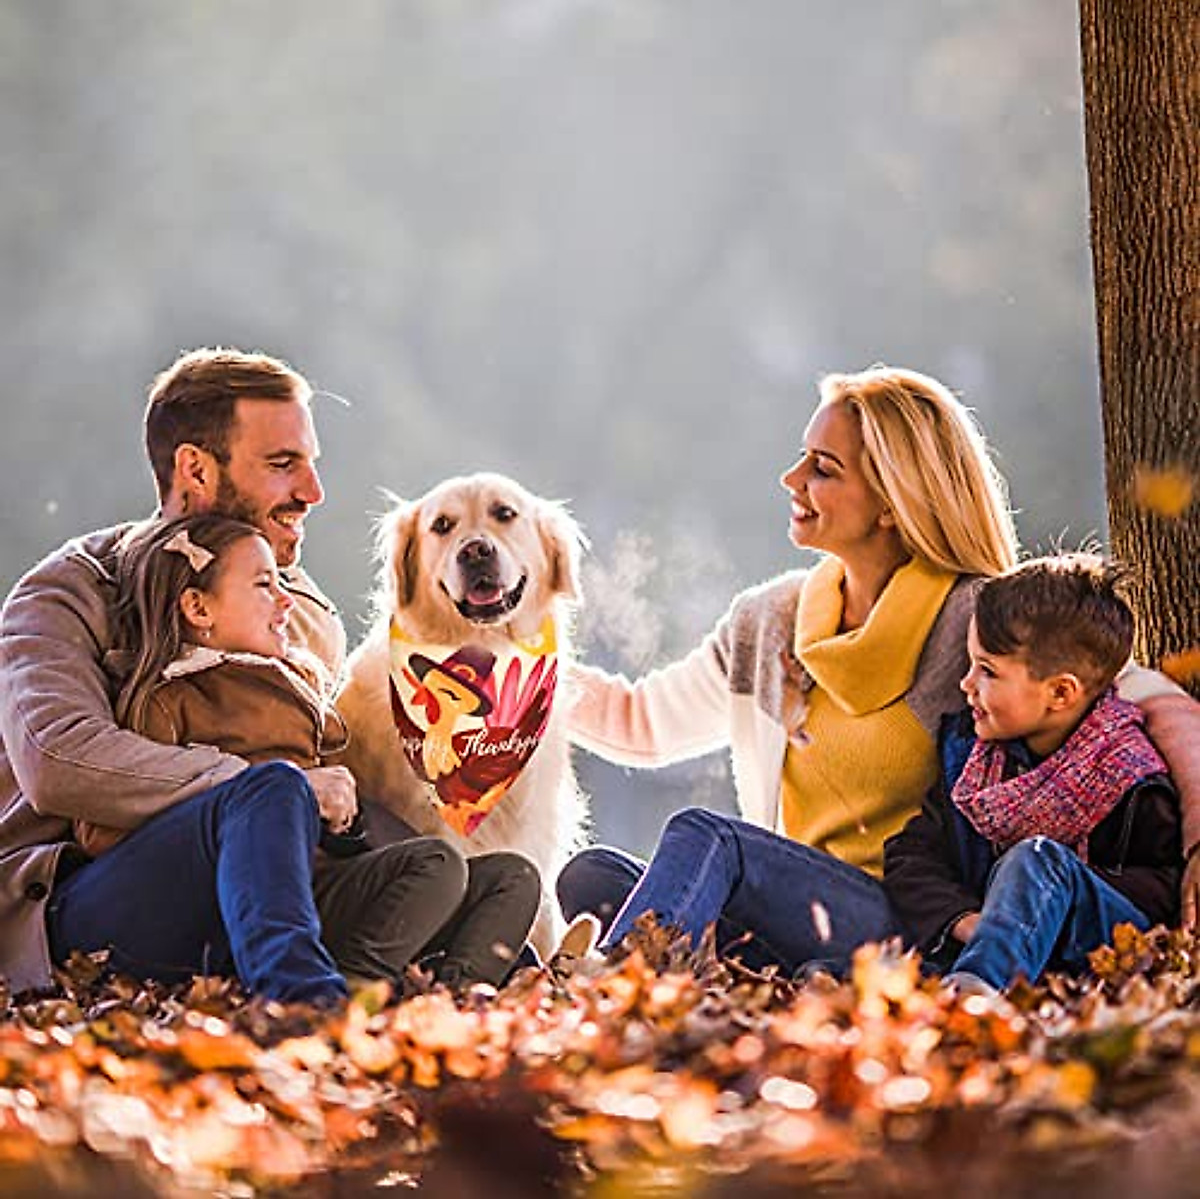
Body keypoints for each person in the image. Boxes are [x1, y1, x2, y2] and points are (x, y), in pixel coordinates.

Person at [559, 365, 1200, 975]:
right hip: (792, 908)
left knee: (703, 837)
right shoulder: (770, 621)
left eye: (823, 468)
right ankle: (750, 979)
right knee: (592, 877)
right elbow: (638, 722)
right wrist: (516, 671)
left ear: (892, 502)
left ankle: (611, 992)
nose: (791, 478)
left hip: (915, 917)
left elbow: (1144, 700)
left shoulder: (972, 621)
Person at [0, 347, 538, 1002]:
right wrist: (267, 788)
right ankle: (303, 1009)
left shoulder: (305, 616)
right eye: (283, 465)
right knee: (274, 792)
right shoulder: (71, 590)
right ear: (194, 469)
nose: (313, 493)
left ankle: (433, 1005)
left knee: (483, 877)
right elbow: (57, 759)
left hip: (271, 894)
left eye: (312, 465)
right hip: (95, 904)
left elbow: (334, 783)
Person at [883, 554, 1180, 994]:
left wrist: (1046, 899)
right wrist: (972, 921)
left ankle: (972, 1000)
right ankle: (973, 975)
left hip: (1093, 947)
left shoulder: (1131, 777)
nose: (966, 685)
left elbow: (1167, 890)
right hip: (988, 946)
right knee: (825, 970)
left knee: (1036, 859)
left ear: (1060, 692)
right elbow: (911, 856)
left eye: (987, 671)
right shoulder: (971, 759)